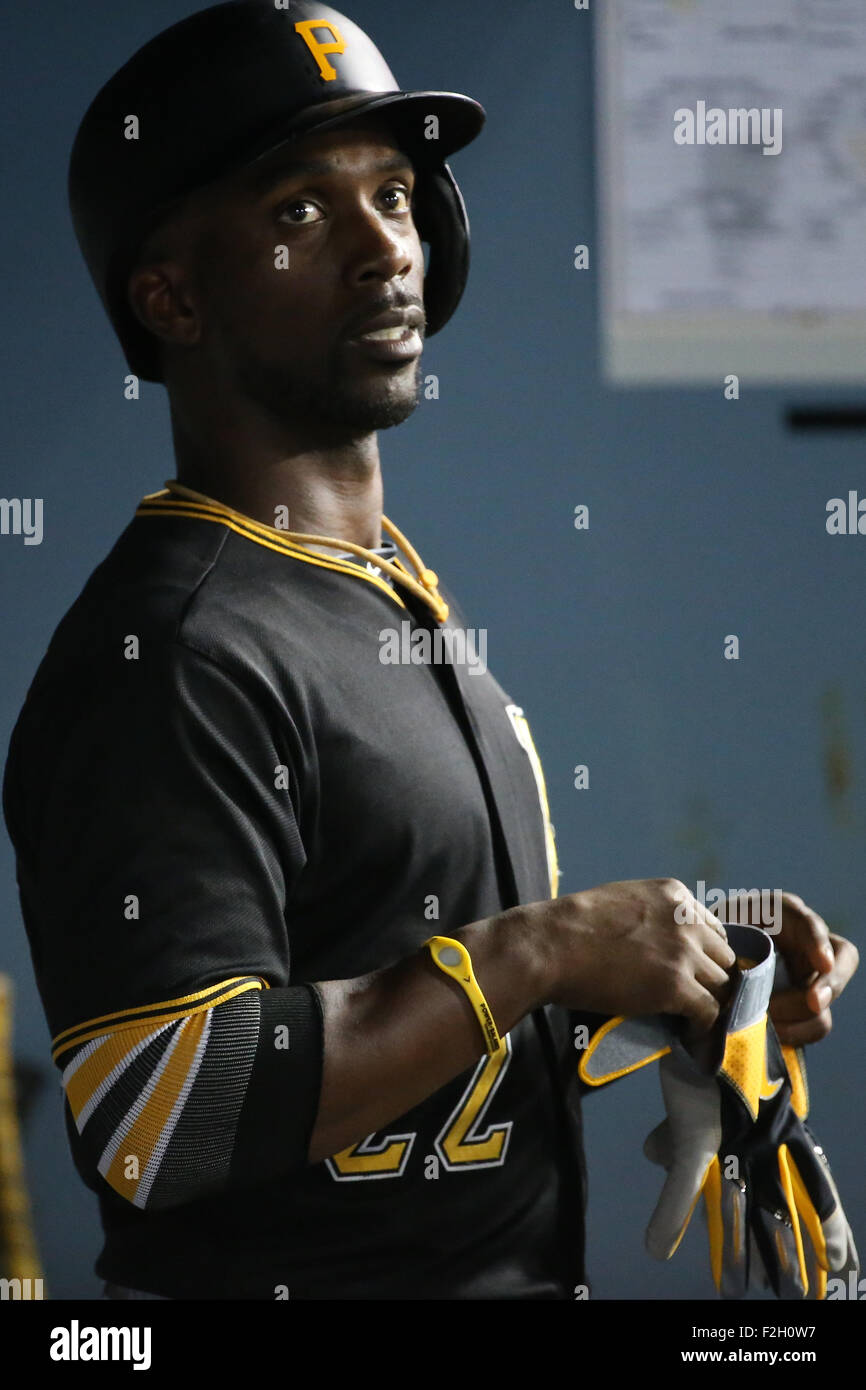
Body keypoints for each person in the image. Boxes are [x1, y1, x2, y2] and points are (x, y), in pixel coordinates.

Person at [3, 1, 857, 1301]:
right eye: (299, 210)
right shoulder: (172, 648)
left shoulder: (374, 590)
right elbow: (160, 1112)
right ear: (170, 295)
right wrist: (542, 949)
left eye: (396, 196)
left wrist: (673, 949)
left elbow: (406, 951)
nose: (380, 247)